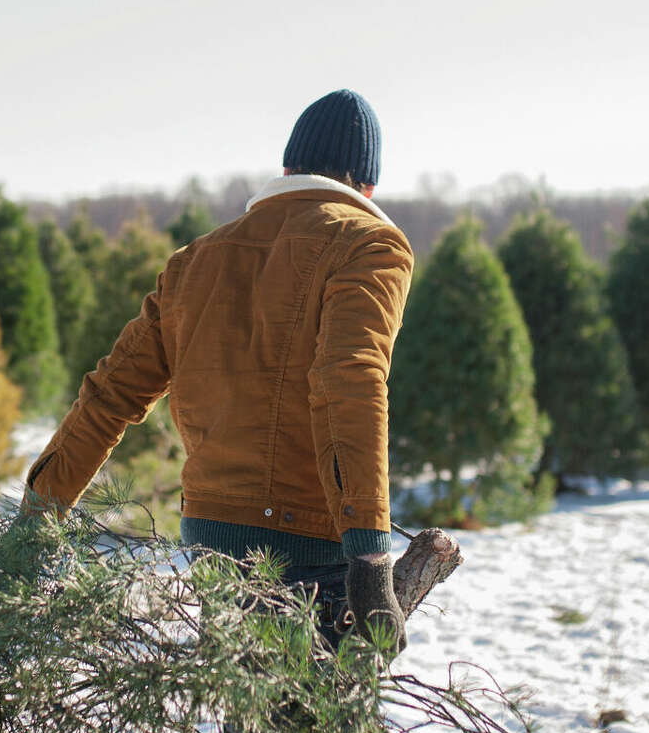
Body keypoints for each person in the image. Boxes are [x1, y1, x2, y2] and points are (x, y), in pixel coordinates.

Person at [21, 89, 415, 650]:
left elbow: (109, 394)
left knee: (252, 725)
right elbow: (349, 382)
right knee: (323, 732)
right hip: (307, 545)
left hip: (212, 537)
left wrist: (40, 512)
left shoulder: (196, 258)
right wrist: (372, 558)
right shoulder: (371, 243)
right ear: (366, 184)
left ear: (287, 168)